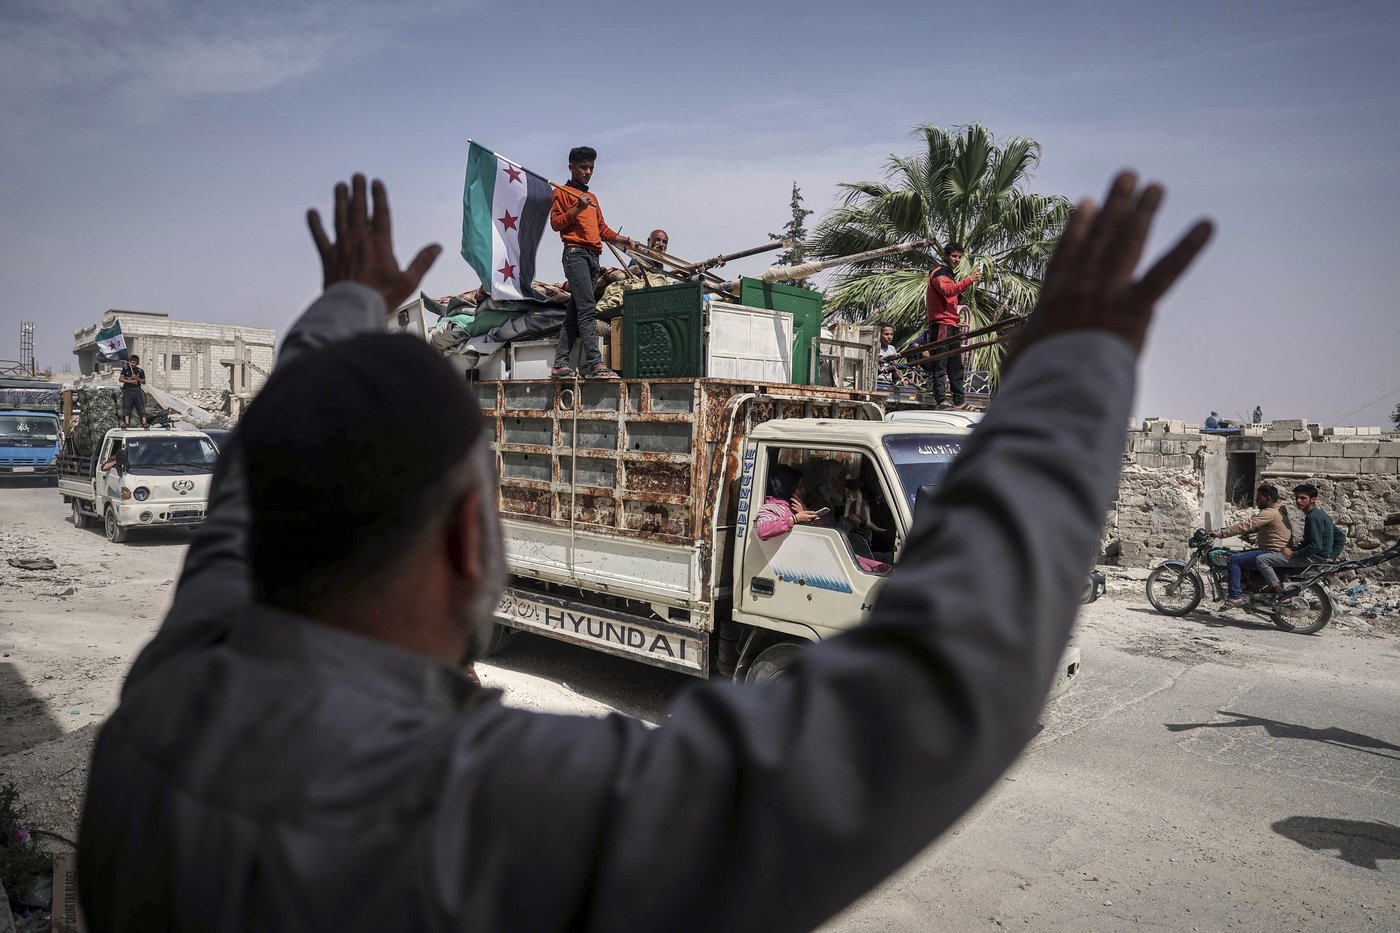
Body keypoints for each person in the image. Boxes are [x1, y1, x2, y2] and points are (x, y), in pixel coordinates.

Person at [78, 171, 1211, 932]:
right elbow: (931, 703)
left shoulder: (167, 693)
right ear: (478, 535)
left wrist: (343, 310)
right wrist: (1070, 372)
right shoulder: (472, 814)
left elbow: (243, 503)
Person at [550, 146, 637, 380]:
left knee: (574, 312)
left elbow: (602, 230)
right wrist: (578, 207)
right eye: (583, 167)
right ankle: (595, 364)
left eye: (591, 168)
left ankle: (559, 365)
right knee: (588, 309)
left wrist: (626, 240)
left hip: (592, 257)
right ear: (571, 167)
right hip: (575, 254)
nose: (588, 172)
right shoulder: (562, 192)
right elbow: (556, 223)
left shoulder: (594, 199)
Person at [1209, 484, 1291, 605]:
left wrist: (1221, 533)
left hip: (1271, 551)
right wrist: (1242, 533)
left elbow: (1246, 525)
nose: (1256, 500)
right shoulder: (1278, 511)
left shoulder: (1270, 513)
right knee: (1235, 554)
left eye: (1259, 497)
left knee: (1233, 560)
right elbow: (1256, 528)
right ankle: (1244, 587)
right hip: (1272, 550)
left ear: (1268, 499)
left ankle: (1235, 596)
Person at [1255, 483, 1337, 601]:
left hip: (1310, 559)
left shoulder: (1312, 517)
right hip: (1317, 558)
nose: (1298, 501)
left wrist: (1293, 554)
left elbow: (1315, 546)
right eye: (1297, 498)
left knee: (1261, 559)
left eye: (1303, 498)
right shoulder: (1321, 514)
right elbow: (1340, 537)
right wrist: (1332, 556)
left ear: (1313, 500)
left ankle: (1281, 593)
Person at [925, 243, 982, 411]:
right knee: (940, 363)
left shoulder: (949, 274)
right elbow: (947, 291)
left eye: (959, 257)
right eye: (954, 256)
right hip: (942, 323)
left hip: (952, 323)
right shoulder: (939, 272)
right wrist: (969, 280)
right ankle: (941, 399)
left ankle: (959, 400)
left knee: (956, 365)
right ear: (946, 256)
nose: (956, 260)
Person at [118, 354, 148, 428]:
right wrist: (130, 381)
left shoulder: (140, 371)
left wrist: (137, 378)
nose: (132, 364)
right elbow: (121, 379)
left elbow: (143, 381)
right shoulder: (125, 369)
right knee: (127, 406)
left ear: (137, 363)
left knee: (140, 406)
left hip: (137, 390)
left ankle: (144, 422)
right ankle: (127, 423)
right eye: (131, 362)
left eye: (134, 362)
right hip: (127, 390)